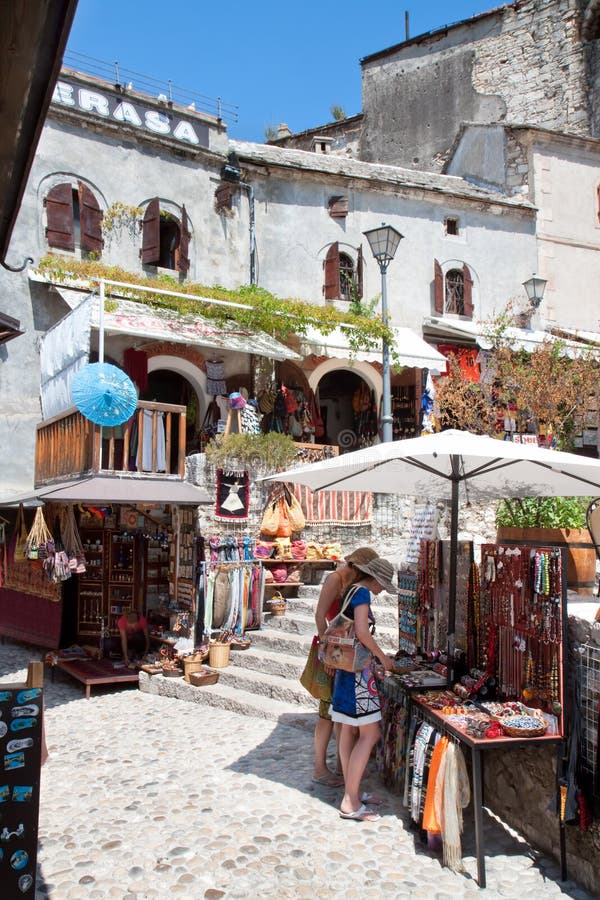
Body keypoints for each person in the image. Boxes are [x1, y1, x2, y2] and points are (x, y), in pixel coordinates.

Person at [330, 557, 396, 821]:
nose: (382, 589)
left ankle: (352, 791)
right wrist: (383, 657)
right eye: (383, 584)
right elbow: (362, 632)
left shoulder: (351, 590)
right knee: (370, 733)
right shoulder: (363, 593)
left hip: (345, 672)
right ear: (375, 579)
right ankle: (350, 802)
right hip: (357, 674)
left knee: (349, 730)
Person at [310, 547, 379, 786]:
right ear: (359, 568)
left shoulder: (353, 587)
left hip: (344, 652)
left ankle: (343, 765)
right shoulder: (335, 580)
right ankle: (320, 767)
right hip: (331, 650)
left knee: (339, 712)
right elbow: (320, 616)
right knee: (326, 712)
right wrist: (327, 654)